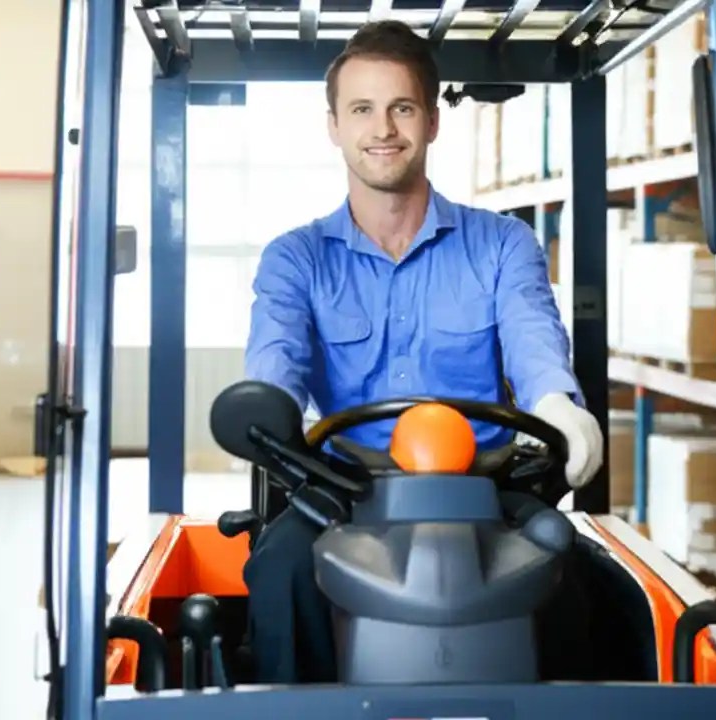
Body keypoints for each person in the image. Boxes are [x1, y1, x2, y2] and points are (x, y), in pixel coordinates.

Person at [240, 19, 603, 685]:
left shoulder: (502, 245)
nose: (383, 129)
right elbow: (276, 365)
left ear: (432, 121)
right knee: (280, 570)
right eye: (362, 110)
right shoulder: (296, 259)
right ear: (334, 126)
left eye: (402, 108)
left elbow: (533, 340)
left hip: (486, 491)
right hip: (343, 495)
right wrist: (267, 410)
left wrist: (558, 403)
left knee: (574, 573)